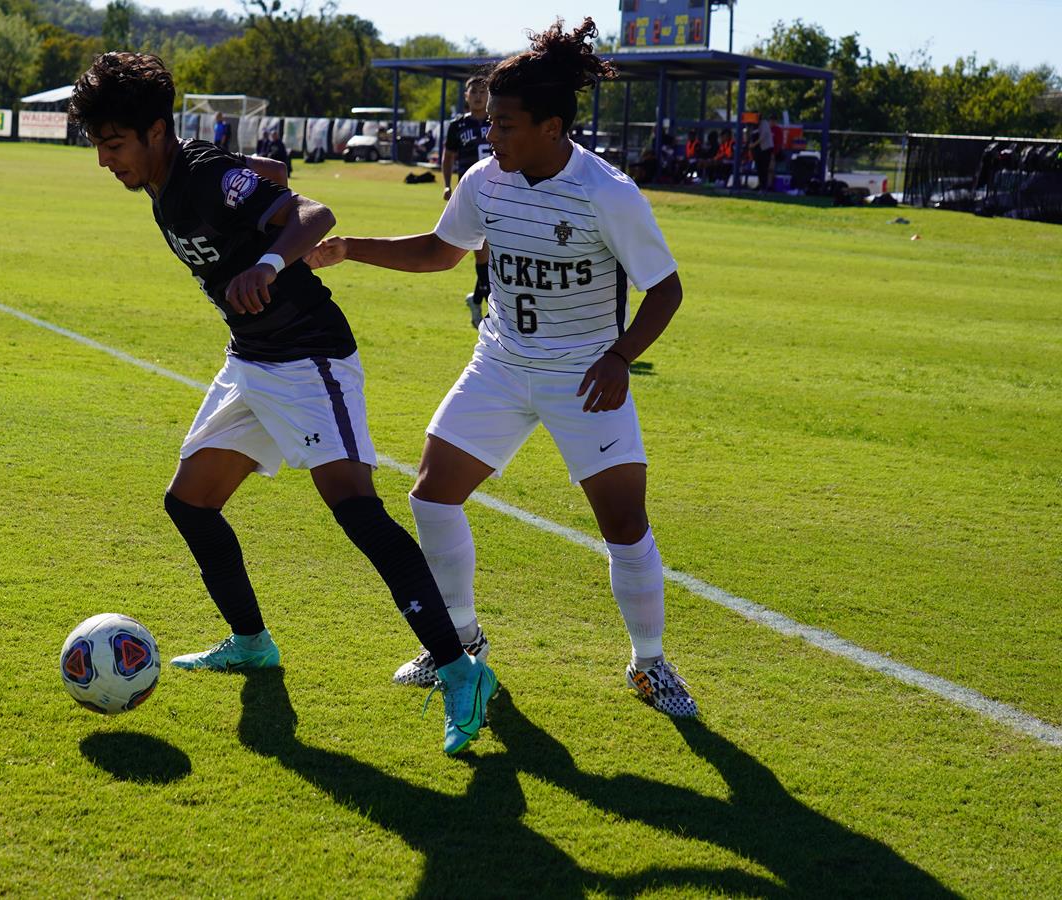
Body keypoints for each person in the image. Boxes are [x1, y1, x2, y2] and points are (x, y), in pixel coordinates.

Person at [68, 52, 497, 754]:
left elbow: (312, 211)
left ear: (153, 132)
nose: (104, 161)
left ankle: (459, 670)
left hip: (309, 357)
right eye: (98, 146)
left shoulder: (198, 173)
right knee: (190, 502)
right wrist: (261, 178)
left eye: (113, 145)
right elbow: (263, 179)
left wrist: (268, 262)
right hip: (252, 361)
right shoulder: (175, 172)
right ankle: (251, 643)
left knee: (357, 511)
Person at [308, 17, 697, 718]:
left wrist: (618, 356)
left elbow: (665, 289)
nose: (491, 138)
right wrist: (350, 249)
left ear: (552, 126)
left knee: (624, 525)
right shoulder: (489, 182)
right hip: (501, 363)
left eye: (506, 126)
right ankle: (460, 643)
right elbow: (439, 251)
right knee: (431, 495)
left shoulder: (607, 193)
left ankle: (649, 662)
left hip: (584, 377)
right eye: (490, 124)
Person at [442, 75, 494, 328]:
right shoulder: (457, 126)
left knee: (494, 250)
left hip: (497, 190)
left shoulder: (497, 121)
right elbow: (448, 155)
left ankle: (479, 299)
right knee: (481, 250)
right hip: (470, 192)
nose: (478, 96)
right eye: (474, 91)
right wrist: (446, 184)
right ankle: (484, 301)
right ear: (466, 96)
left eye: (483, 91)